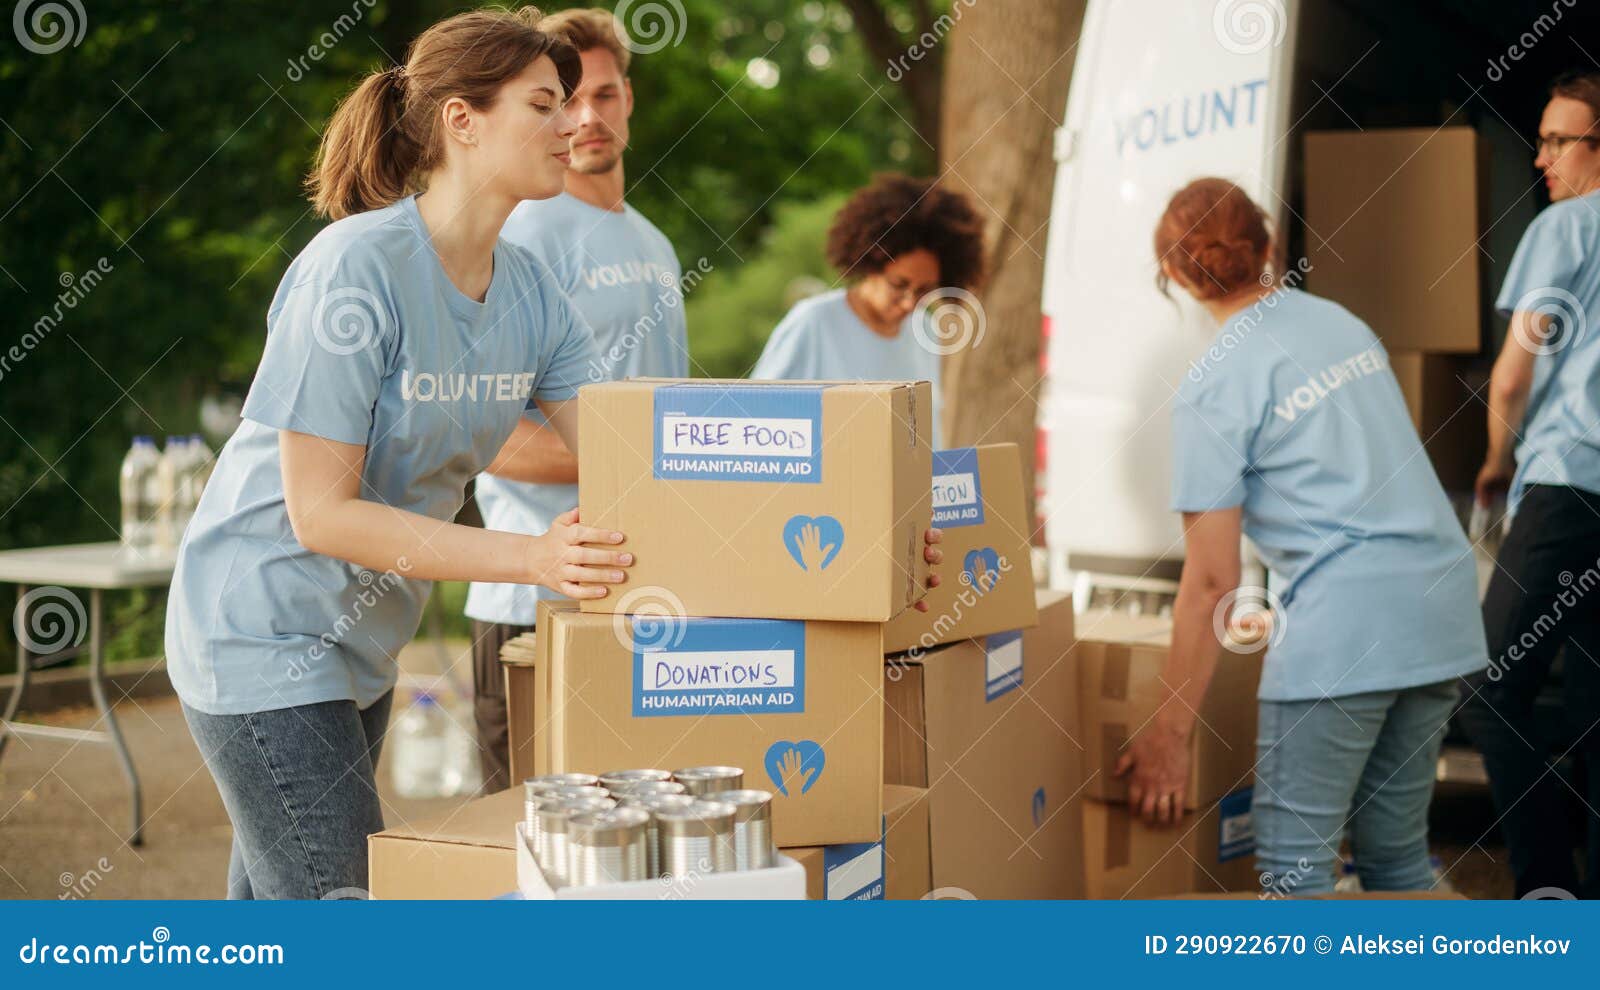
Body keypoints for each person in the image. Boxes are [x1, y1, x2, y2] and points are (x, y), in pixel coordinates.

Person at [165, 8, 640, 899]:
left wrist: (839, 526)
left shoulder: (533, 295)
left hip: (363, 643)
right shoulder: (354, 270)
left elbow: (633, 455)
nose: (576, 124)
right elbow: (322, 512)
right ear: (462, 120)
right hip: (260, 631)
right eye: (544, 103)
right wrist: (533, 554)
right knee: (342, 910)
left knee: (278, 913)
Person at [1116, 178, 1487, 895]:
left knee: (1296, 874)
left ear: (1172, 275)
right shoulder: (1340, 324)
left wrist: (1168, 737)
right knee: (1398, 860)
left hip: (1347, 631)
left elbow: (1214, 582)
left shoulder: (1212, 385)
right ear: (1270, 249)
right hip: (1439, 606)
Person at [465, 8, 686, 794]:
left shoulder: (653, 242)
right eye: (567, 100)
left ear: (631, 98)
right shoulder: (523, 234)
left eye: (607, 94)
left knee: (629, 849)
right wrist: (641, 467)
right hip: (535, 596)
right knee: (533, 851)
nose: (589, 117)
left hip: (647, 591)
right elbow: (479, 433)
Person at [1461, 71, 1600, 900]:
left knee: (1489, 688)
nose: (1542, 157)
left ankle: (1545, 884)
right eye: (1540, 139)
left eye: (1560, 141)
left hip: (1566, 487)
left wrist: (1494, 460)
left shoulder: (1565, 229)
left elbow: (1514, 377)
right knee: (1593, 710)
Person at [750, 173, 986, 447]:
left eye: (924, 290)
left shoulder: (926, 328)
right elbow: (758, 419)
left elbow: (927, 435)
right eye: (899, 284)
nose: (910, 303)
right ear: (870, 265)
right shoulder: (814, 321)